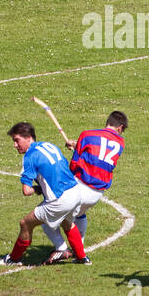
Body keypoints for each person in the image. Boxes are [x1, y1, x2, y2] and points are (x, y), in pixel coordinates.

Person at [0, 121, 91, 266]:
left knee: (25, 224)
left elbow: (26, 191)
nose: (15, 145)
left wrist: (37, 189)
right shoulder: (48, 144)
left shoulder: (29, 157)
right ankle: (82, 258)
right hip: (76, 192)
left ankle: (14, 259)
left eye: (17, 140)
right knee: (67, 222)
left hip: (60, 199)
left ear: (28, 138)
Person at [45, 111, 129, 263]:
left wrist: (78, 148)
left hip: (80, 187)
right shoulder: (120, 143)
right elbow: (99, 150)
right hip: (97, 194)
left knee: (46, 217)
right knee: (79, 215)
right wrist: (78, 145)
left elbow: (74, 164)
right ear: (120, 127)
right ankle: (80, 248)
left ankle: (62, 248)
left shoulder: (87, 134)